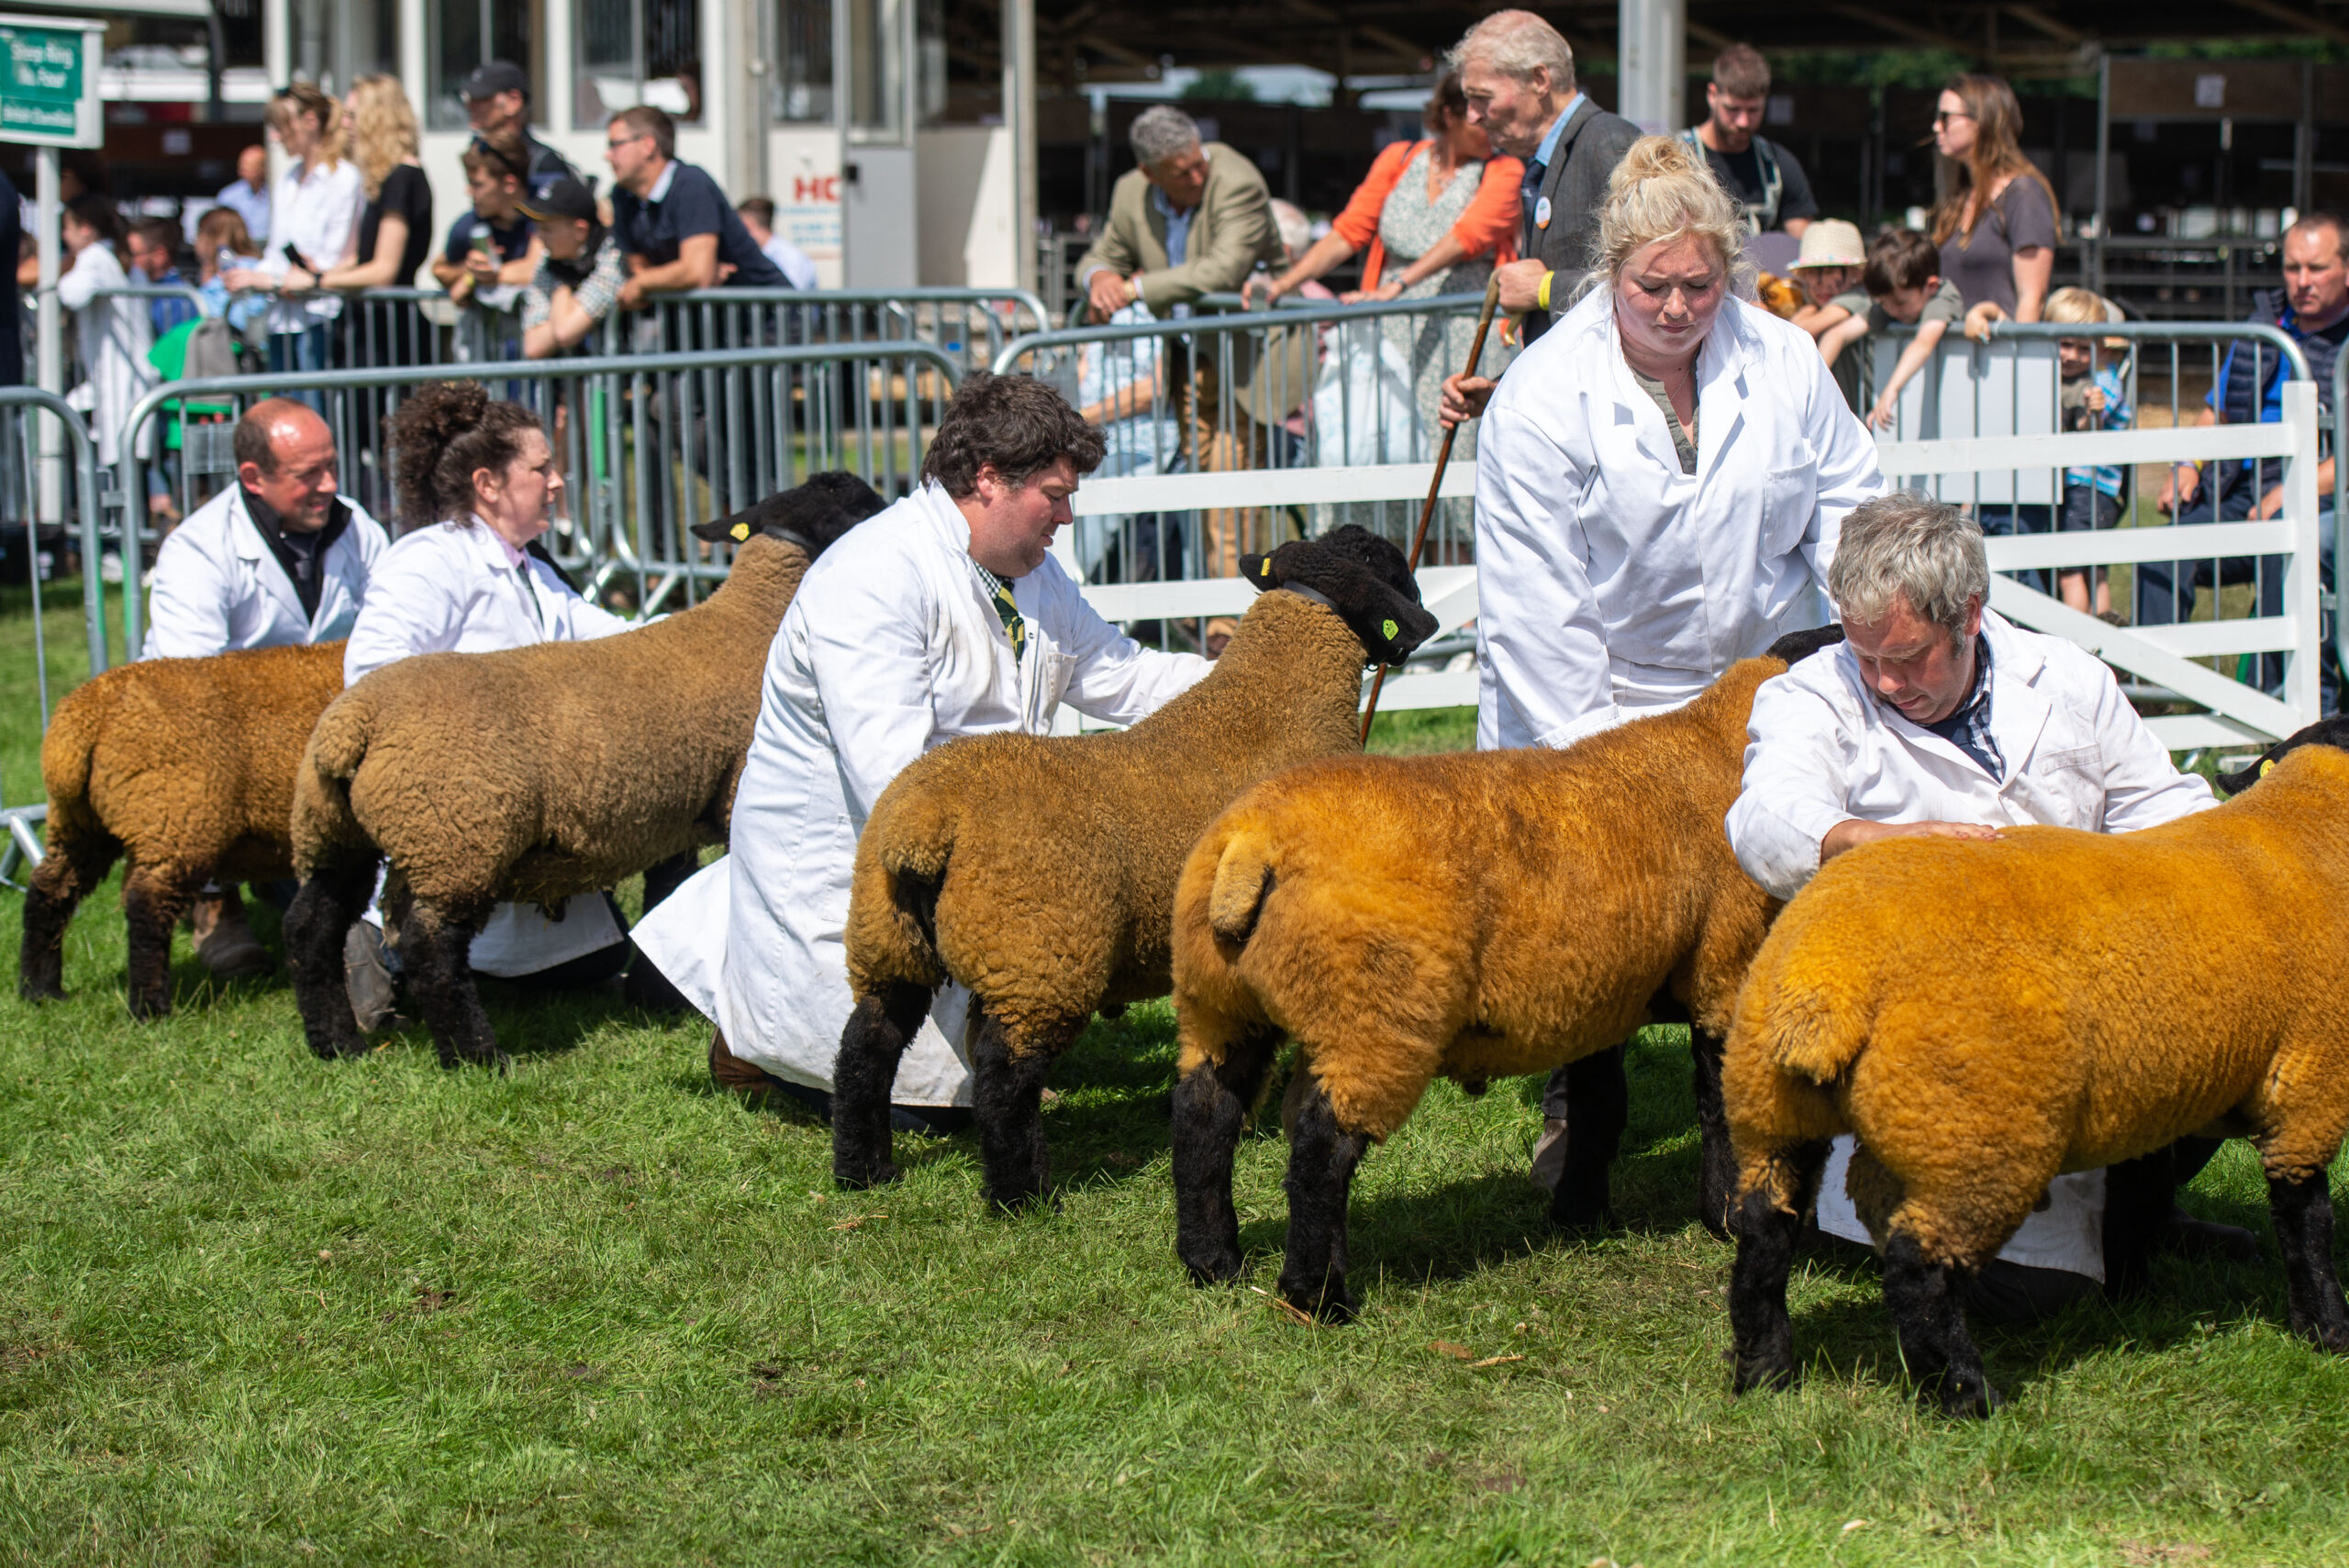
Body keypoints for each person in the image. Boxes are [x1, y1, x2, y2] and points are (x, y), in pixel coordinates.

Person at [1726, 492, 2254, 1323]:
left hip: (2070, 995)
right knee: (2037, 1292)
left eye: (1908, 657)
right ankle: (2078, 1228)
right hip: (1929, 1034)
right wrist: (1870, 841)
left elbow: (2171, 814)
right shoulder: (1813, 696)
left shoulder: (2070, 679)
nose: (1885, 682)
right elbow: (1762, 817)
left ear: (1970, 612)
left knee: (2218, 1016)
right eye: (1866, 658)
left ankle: (2142, 1212)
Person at [1469, 136, 1881, 1199]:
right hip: (1592, 701)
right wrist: (1606, 779)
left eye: (1701, 283)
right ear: (1612, 271)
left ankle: (1767, 1120)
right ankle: (1579, 1117)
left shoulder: (1784, 361)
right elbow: (1537, 612)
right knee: (1595, 931)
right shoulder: (1542, 395)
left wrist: (1882, 637)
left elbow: (1850, 512)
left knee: (1753, 916)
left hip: (1746, 690)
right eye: (1653, 284)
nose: (1677, 305)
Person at [629, 373, 1212, 1119]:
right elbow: (896, 785)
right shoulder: (872, 578)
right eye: (1056, 495)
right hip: (861, 882)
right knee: (932, 1101)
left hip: (971, 861)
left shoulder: (1032, 574)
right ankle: (754, 1043)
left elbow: (1123, 677)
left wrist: (1262, 682)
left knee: (987, 1078)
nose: (1069, 516)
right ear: (990, 480)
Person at [343, 382, 637, 994]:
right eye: (541, 468)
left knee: (594, 966)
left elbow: (620, 642)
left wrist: (708, 635)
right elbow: (371, 673)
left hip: (532, 793)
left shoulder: (535, 570)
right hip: (459, 795)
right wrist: (474, 733)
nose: (558, 481)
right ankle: (378, 944)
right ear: (488, 484)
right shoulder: (428, 559)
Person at [142, 396, 389, 976]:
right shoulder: (199, 550)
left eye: (332, 467)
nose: (329, 485)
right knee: (197, 761)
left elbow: (394, 624)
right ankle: (212, 900)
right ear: (253, 477)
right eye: (309, 474)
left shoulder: (358, 528)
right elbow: (190, 687)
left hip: (328, 734)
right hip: (229, 741)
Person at [1251, 70, 1520, 462]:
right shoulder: (1399, 158)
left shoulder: (1504, 169)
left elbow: (1468, 237)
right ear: (1449, 115)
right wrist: (1284, 284)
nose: (1490, 128)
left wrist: (1397, 286)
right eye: (1478, 117)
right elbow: (1350, 230)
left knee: (1455, 453)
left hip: (1466, 337)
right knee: (1381, 449)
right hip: (1394, 335)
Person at [2140, 211, 2347, 697]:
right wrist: (2189, 465)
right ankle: (2154, 691)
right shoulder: (2263, 328)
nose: (2302, 281)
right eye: (2293, 267)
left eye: (2316, 268)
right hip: (2237, 490)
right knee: (2161, 552)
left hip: (2318, 493)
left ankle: (2278, 703)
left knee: (2290, 545)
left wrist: (2292, 490)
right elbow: (2219, 408)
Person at [1072, 105, 1284, 578]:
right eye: (1180, 171)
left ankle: (1229, 620)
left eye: (1198, 162)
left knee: (1229, 485)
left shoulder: (1237, 179)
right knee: (1205, 483)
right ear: (1149, 173)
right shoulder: (1131, 192)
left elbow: (1221, 270)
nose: (1195, 175)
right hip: (1188, 359)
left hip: (1244, 357)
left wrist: (1130, 289)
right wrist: (1099, 277)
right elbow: (1101, 255)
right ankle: (1211, 607)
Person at [1435, 11, 1639, 427]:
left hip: (1614, 426)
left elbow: (1664, 286)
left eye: (1482, 97)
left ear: (1540, 81)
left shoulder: (1610, 145)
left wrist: (1545, 289)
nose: (1473, 114)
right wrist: (1503, 389)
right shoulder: (1552, 158)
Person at [223, 83, 362, 382]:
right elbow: (278, 249)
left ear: (310, 121)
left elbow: (332, 259)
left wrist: (271, 279)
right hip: (281, 320)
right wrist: (254, 277)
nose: (275, 137)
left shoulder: (344, 178)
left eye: (282, 126)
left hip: (321, 317)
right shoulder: (289, 178)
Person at [605, 105, 785, 312]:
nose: (607, 155)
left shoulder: (691, 184)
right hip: (710, 330)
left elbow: (696, 274)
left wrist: (646, 283)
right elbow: (639, 273)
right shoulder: (622, 196)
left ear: (648, 145)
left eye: (615, 145)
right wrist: (662, 279)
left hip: (768, 324)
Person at [317, 75, 435, 371]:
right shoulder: (384, 178)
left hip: (391, 334)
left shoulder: (402, 177)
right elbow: (364, 256)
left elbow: (384, 269)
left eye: (353, 116)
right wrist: (322, 272)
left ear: (377, 119)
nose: (346, 125)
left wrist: (319, 281)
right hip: (373, 328)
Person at [1928, 74, 2057, 341]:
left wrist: (2018, 369)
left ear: (1982, 121)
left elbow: (2032, 299)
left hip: (2000, 361)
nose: (1936, 127)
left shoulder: (2023, 194)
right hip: (1956, 359)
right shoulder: (1956, 199)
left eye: (1946, 117)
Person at [1817, 228, 1965, 432]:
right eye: (1883, 303)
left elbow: (1923, 344)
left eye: (1899, 303)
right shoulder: (1893, 305)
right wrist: (1816, 383)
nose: (1891, 310)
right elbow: (1837, 335)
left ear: (1930, 286)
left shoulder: (1943, 299)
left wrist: (1890, 391)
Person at [55, 195, 156, 479]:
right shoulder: (120, 257)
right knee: (130, 462)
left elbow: (73, 294)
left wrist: (60, 274)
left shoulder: (94, 257)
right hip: (129, 373)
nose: (64, 235)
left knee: (118, 465)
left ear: (86, 228)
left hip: (118, 376)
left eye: (67, 228)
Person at [2046, 285, 2131, 619]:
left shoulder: (2102, 382)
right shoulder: (2069, 379)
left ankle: (2079, 644)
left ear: (2100, 350)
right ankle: (2102, 644)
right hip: (2086, 489)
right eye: (2064, 344)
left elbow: (2091, 417)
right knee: (2092, 569)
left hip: (2090, 489)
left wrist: (2090, 412)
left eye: (2083, 349)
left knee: (2070, 570)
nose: (2070, 355)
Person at [1678, 43, 1817, 239]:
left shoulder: (1777, 165)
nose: (1743, 122)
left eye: (1753, 110)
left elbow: (1803, 245)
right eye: (1732, 109)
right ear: (1712, 95)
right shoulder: (1675, 158)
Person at [518, 178, 626, 359]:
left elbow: (565, 332)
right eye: (537, 228)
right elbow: (533, 346)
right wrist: (565, 285)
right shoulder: (548, 262)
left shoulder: (613, 253)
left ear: (580, 231)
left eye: (547, 229)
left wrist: (559, 287)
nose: (539, 237)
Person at [431, 143, 540, 305]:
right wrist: (468, 268)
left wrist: (473, 279)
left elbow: (535, 270)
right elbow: (439, 269)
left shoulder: (544, 215)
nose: (468, 191)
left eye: (477, 184)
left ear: (509, 185)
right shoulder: (468, 225)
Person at [462, 61, 577, 199]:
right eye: (470, 99)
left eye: (483, 98)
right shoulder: (478, 149)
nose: (471, 106)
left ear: (514, 102)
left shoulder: (542, 162)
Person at [1784, 217, 1866, 409]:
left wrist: (1809, 308)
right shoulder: (1816, 307)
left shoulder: (1855, 299)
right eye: (1812, 272)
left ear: (1855, 274)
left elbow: (1798, 330)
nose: (1821, 282)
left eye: (1830, 271)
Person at [123, 217, 200, 338]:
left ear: (160, 255)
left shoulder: (175, 300)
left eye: (133, 255)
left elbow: (171, 352)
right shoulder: (139, 289)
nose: (128, 261)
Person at [733, 196, 818, 290]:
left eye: (737, 227)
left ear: (747, 225)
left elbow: (790, 300)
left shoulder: (790, 258)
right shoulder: (763, 253)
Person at [211, 145, 271, 250]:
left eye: (250, 168)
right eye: (242, 167)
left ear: (263, 169)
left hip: (268, 250)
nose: (243, 172)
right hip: (238, 252)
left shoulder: (274, 195)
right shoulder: (228, 196)